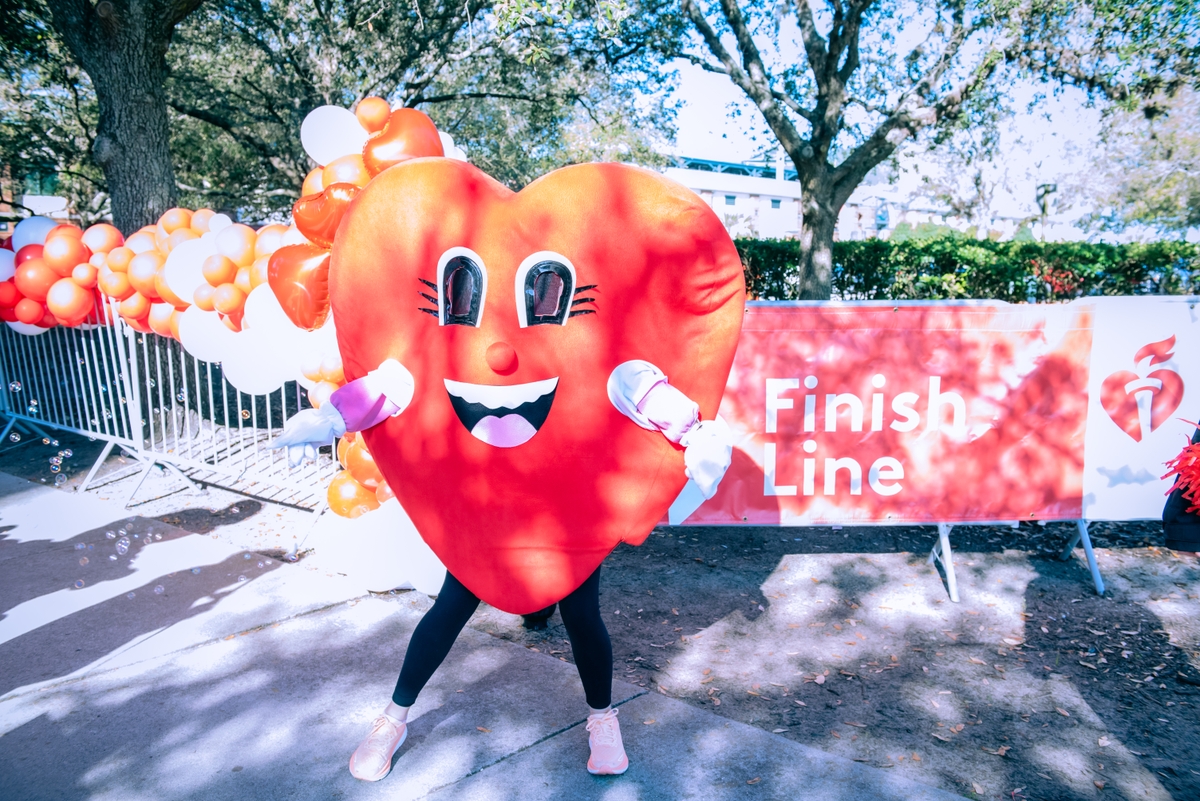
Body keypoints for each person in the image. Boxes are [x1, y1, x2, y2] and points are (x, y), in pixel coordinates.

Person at [275, 359, 733, 782]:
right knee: (452, 606)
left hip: (565, 502)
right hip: (488, 500)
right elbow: (405, 376)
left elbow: (627, 376)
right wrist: (333, 417)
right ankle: (393, 719)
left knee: (580, 612)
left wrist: (696, 432)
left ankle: (602, 718)